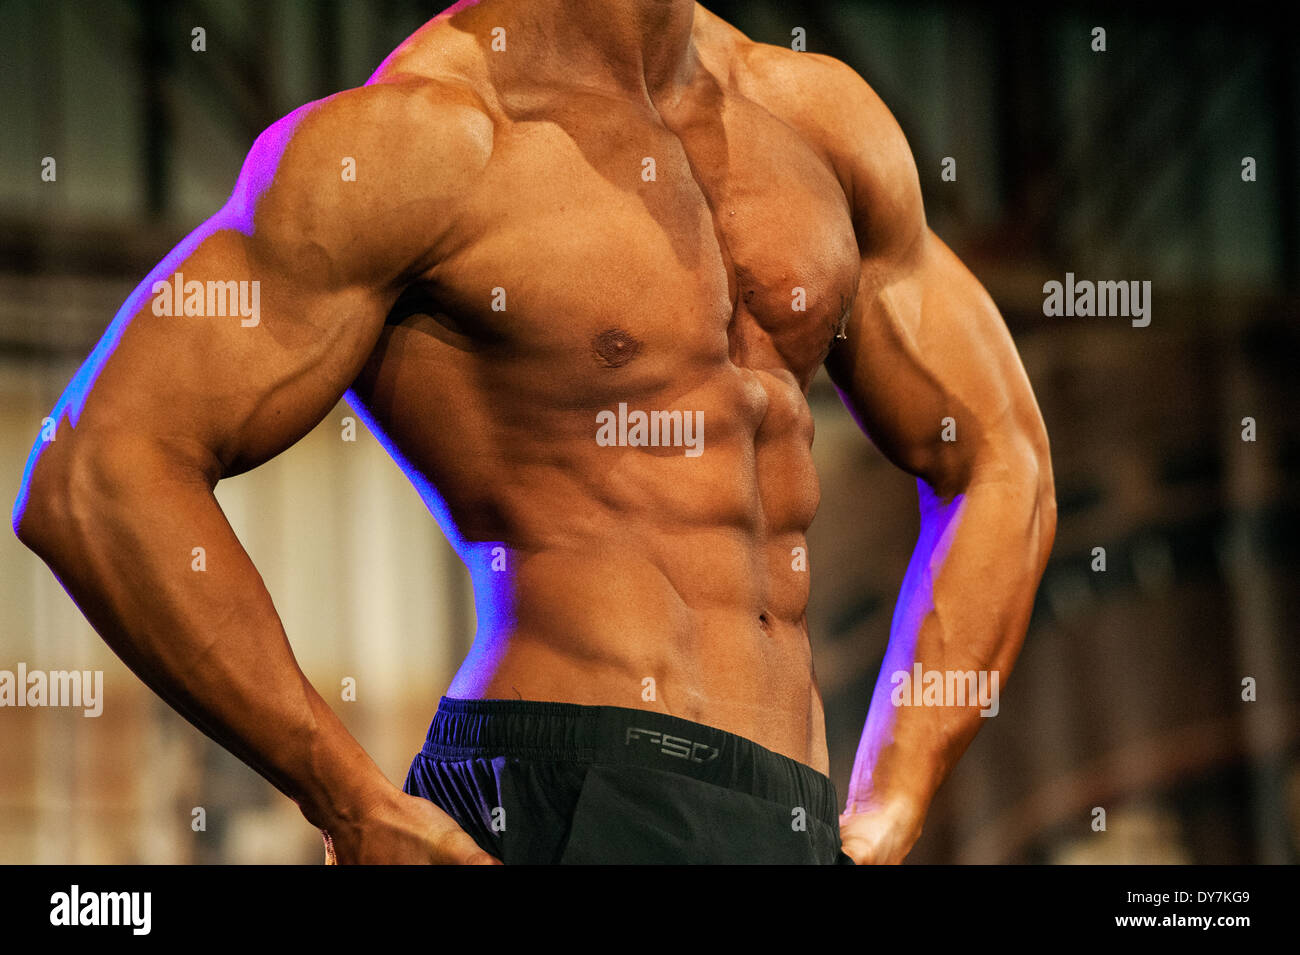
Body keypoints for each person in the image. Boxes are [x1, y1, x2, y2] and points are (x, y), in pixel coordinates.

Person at [13, 0, 1056, 864]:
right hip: (568, 792)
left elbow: (1000, 455)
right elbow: (95, 475)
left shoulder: (815, 121)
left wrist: (897, 789)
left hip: (786, 805)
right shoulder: (424, 140)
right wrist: (347, 796)